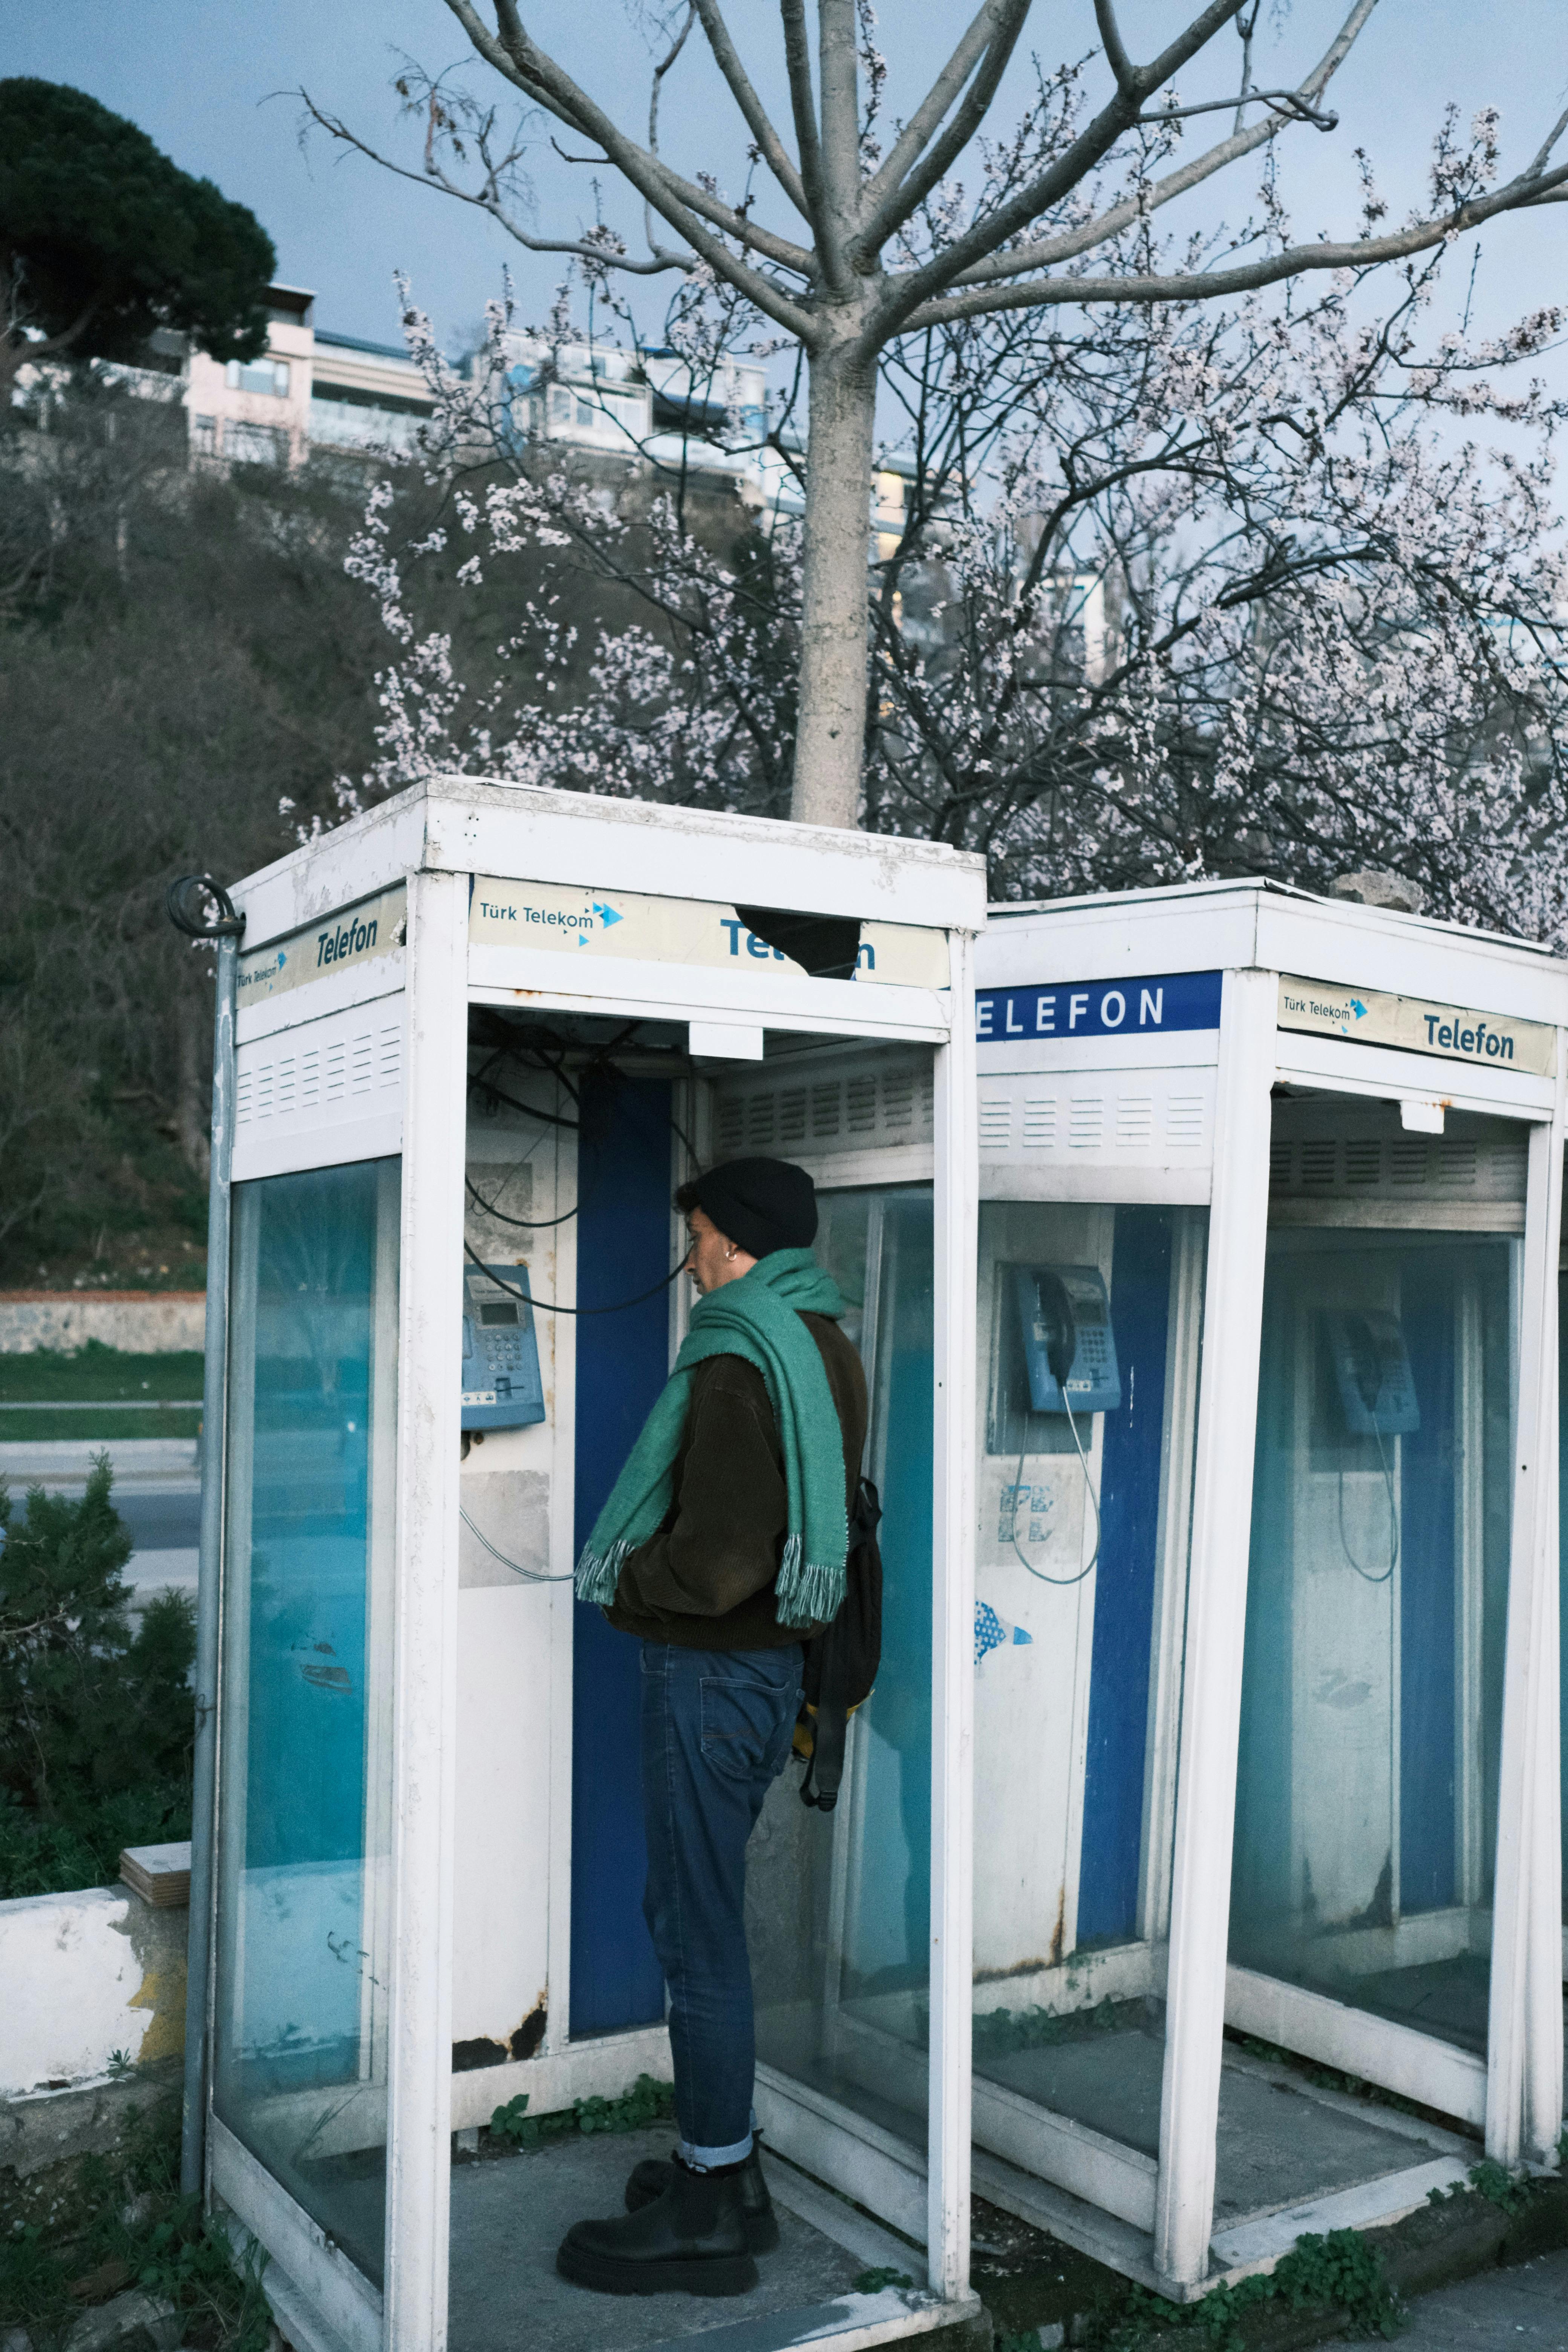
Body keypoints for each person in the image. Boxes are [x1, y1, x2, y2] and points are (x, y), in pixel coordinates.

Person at [556, 1156, 867, 2298]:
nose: (689, 1258)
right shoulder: (819, 1337)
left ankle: (707, 2202)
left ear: (735, 1242)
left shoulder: (739, 1349)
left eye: (697, 1237)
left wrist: (629, 1578)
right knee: (698, 1915)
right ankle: (729, 2175)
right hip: (765, 1675)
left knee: (696, 1933)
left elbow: (726, 1552)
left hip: (710, 1673)